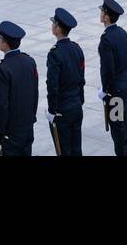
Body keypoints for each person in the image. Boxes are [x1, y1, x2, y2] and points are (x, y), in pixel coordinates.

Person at [0, 21, 38, 156]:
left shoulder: (3, 68)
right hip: (27, 128)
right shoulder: (29, 61)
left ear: (5, 43)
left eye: (0, 39)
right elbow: (34, 93)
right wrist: (31, 119)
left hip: (11, 133)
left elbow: (1, 104)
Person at [45, 8, 84, 156]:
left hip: (62, 110)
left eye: (53, 23)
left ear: (57, 28)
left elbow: (52, 85)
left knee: (64, 151)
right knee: (76, 149)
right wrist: (80, 100)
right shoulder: (77, 49)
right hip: (76, 106)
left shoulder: (55, 54)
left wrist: (52, 110)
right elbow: (81, 80)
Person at [97, 0, 127, 156]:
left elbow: (107, 69)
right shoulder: (123, 33)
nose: (101, 14)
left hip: (115, 94)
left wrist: (106, 90)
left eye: (102, 11)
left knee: (118, 131)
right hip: (125, 86)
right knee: (125, 126)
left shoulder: (106, 39)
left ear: (106, 17)